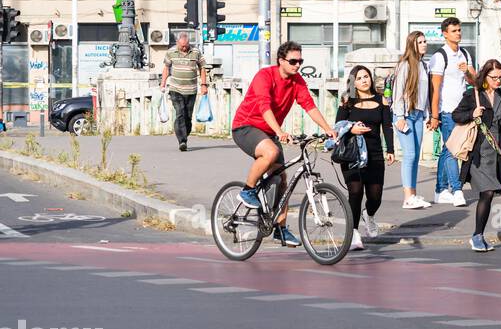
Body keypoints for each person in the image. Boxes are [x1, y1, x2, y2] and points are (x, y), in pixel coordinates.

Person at [230, 41, 336, 247]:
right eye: (293, 61)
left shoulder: (297, 81)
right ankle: (248, 190)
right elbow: (264, 106)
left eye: (300, 61)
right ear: (281, 61)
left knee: (282, 178)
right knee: (269, 152)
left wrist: (327, 129)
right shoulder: (265, 76)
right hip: (245, 126)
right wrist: (279, 132)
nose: (297, 65)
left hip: (268, 131)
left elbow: (309, 105)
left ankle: (280, 227)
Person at [451, 60, 501, 252]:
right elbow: (456, 115)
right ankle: (477, 236)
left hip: (494, 152)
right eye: (493, 77)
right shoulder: (473, 94)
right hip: (478, 152)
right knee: (486, 191)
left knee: (489, 195)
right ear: (484, 76)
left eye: (500, 78)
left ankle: (479, 235)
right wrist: (472, 113)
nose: (497, 81)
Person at [335, 65, 395, 251]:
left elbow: (387, 126)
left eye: (366, 76)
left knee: (375, 196)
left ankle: (368, 215)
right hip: (352, 154)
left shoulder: (381, 100)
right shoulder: (347, 101)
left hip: (375, 153)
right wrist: (351, 129)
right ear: (354, 81)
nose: (364, 80)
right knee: (355, 192)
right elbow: (337, 126)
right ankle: (352, 233)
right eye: (359, 78)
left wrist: (390, 149)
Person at [430, 16, 475, 207]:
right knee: (452, 150)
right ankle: (457, 189)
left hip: (463, 109)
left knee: (448, 150)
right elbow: (435, 89)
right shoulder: (440, 56)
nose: (458, 33)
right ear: (445, 34)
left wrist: (467, 71)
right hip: (446, 110)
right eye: (454, 31)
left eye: (459, 30)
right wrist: (434, 115)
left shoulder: (465, 53)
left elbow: (475, 81)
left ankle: (440, 190)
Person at [390, 31, 433, 210]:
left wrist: (428, 113)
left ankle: (413, 194)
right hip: (405, 115)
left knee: (415, 157)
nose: (424, 44)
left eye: (425, 41)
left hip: (417, 114)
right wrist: (400, 117)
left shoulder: (423, 65)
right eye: (420, 42)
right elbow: (398, 92)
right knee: (409, 155)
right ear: (412, 45)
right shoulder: (405, 65)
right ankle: (408, 198)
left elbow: (425, 92)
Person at [160, 31, 208, 152]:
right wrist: (163, 83)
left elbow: (202, 68)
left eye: (186, 45)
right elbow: (166, 68)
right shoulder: (171, 52)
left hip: (191, 90)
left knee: (188, 116)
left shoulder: (196, 52)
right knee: (180, 113)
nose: (184, 48)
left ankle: (184, 135)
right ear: (177, 43)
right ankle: (182, 141)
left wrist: (203, 85)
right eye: (182, 46)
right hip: (175, 89)